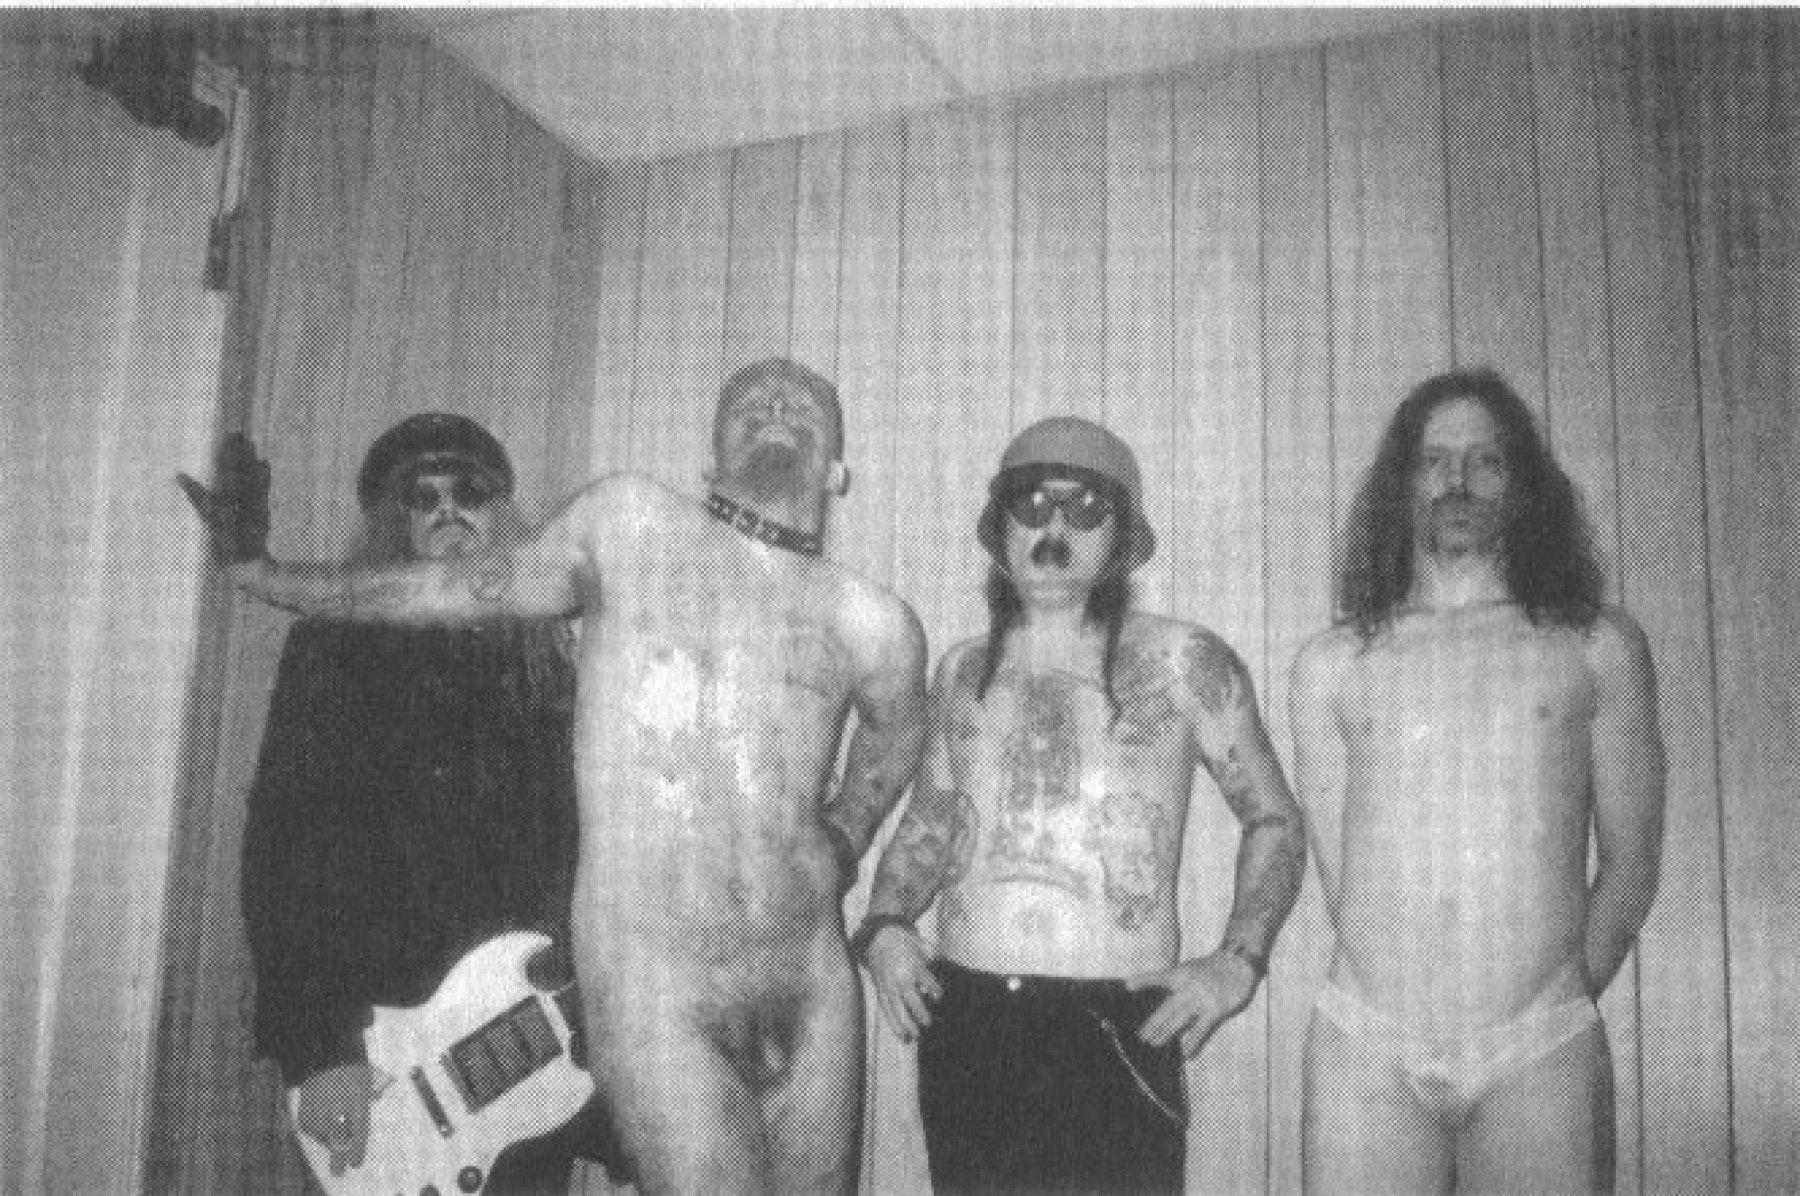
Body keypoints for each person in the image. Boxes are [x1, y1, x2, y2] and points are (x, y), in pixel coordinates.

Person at [182, 358, 929, 1196]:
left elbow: (897, 736)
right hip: (504, 1030)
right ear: (707, 462)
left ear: (838, 470)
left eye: (804, 403)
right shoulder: (626, 530)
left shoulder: (868, 624)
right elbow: (290, 841)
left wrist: (846, 836)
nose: (777, 403)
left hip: (707, 1009)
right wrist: (263, 575)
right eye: (748, 399)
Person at [849, 416, 1306, 1194]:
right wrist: (885, 925)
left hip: (1117, 1023)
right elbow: (929, 824)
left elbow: (1275, 819)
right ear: (1000, 530)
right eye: (1032, 504)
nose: (1054, 529)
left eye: (1085, 508)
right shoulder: (961, 671)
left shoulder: (1183, 662)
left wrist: (1239, 961)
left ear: (1120, 536)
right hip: (970, 1021)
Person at [1289, 368, 1666, 1195]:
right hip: (1368, 1041)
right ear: (1402, 486)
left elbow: (1632, 862)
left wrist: (1550, 1001)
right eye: (1434, 461)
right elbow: (1340, 875)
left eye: (1485, 460)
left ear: (1523, 485)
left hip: (1538, 1044)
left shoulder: (1596, 647)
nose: (1456, 481)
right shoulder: (1332, 665)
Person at [233, 414, 622, 1192]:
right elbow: (287, 852)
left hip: (531, 1057)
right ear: (394, 522)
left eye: (469, 490)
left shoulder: (551, 654)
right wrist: (321, 1048)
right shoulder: (333, 649)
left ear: (501, 513)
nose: (448, 509)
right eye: (422, 496)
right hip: (386, 1055)